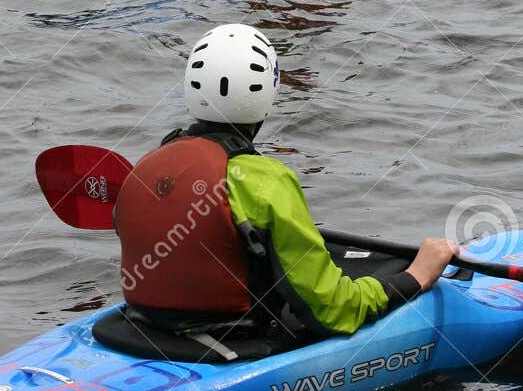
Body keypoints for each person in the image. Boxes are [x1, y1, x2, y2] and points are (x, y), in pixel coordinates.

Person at [113, 24, 458, 337]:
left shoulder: (146, 166)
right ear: (267, 94)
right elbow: (333, 310)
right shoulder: (268, 181)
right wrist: (414, 278)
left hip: (145, 327)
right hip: (233, 338)